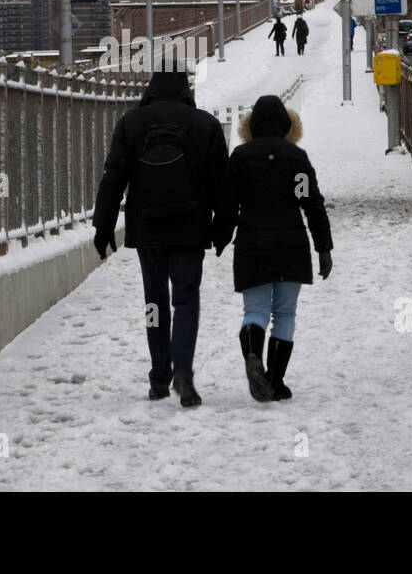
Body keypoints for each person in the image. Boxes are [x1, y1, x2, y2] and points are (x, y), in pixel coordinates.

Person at [92, 67, 229, 408]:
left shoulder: (131, 123)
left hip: (148, 229)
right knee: (185, 301)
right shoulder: (205, 125)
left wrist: (103, 226)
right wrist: (223, 228)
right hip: (190, 227)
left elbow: (114, 176)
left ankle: (158, 377)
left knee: (154, 301)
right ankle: (182, 370)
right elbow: (222, 184)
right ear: (186, 88)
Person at [213, 96, 333, 402]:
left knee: (255, 311)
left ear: (250, 126)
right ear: (286, 125)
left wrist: (220, 237)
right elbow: (312, 203)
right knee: (285, 315)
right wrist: (324, 247)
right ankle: (275, 381)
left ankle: (253, 354)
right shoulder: (297, 157)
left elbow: (227, 204)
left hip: (252, 243)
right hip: (291, 244)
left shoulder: (240, 157)